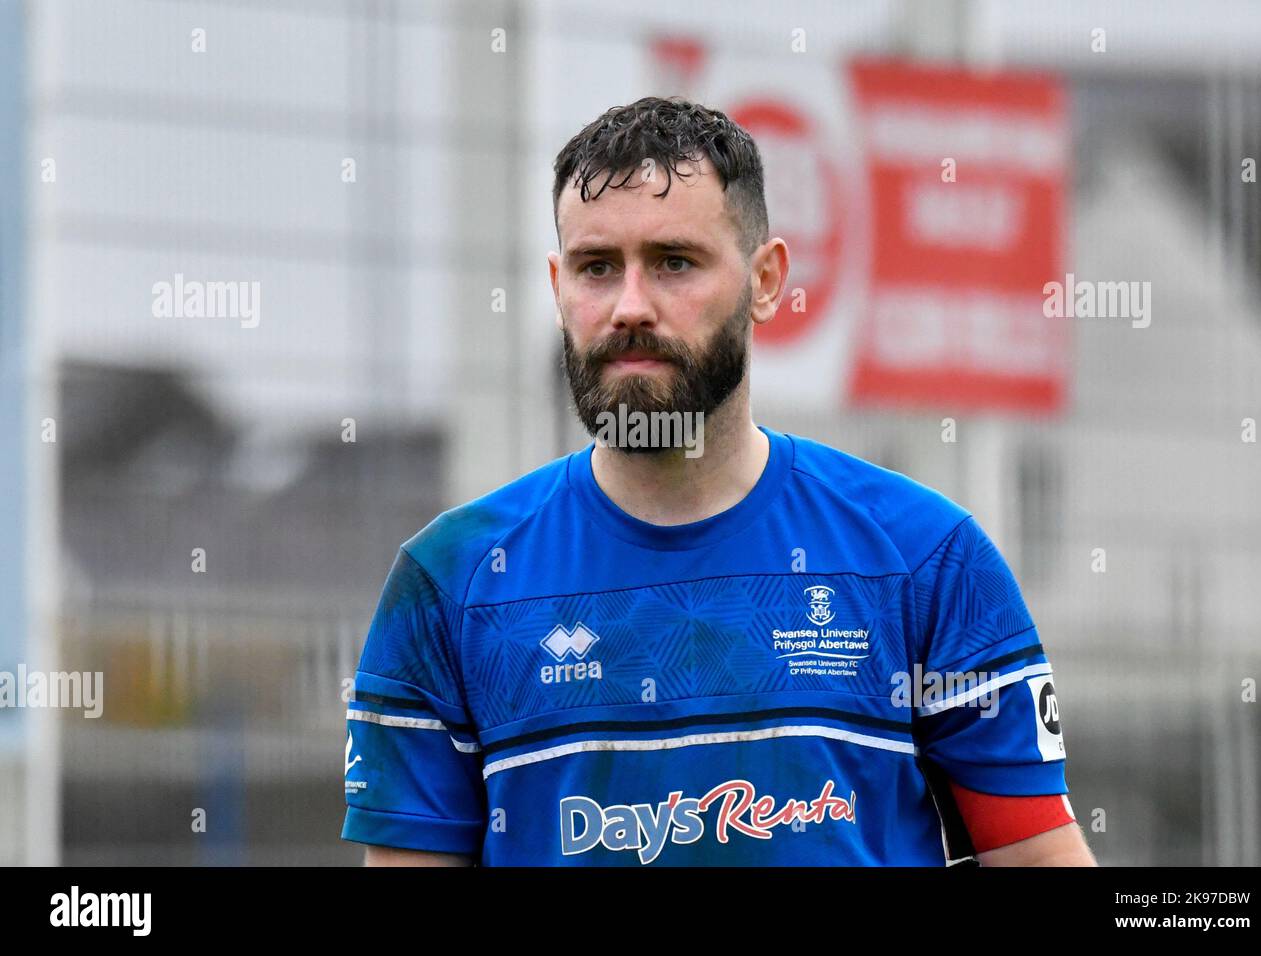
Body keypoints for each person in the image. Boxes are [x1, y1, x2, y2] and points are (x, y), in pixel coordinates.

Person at [341, 96, 1096, 867]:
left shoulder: (930, 561)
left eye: (674, 262)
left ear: (766, 280)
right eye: (597, 267)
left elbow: (1037, 859)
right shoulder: (448, 583)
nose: (630, 307)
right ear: (558, 284)